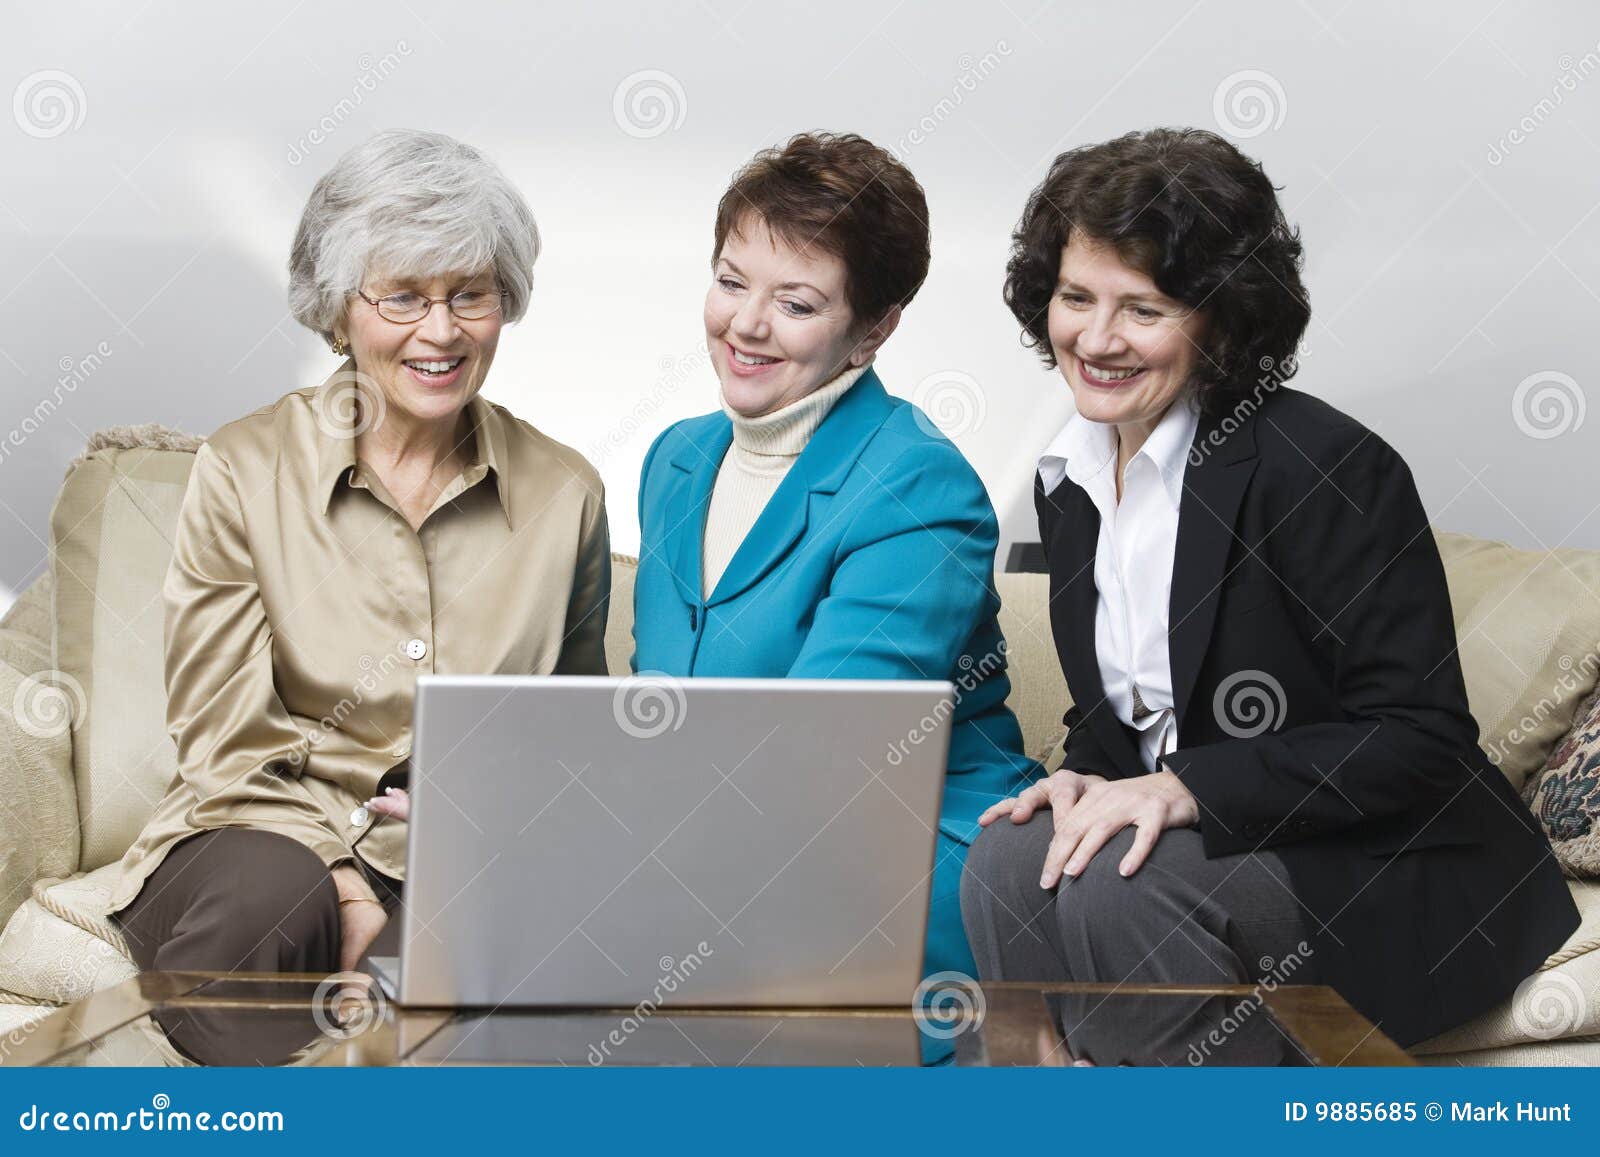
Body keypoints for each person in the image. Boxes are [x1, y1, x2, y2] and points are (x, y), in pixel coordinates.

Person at [961, 127, 1578, 1049]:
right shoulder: (1071, 479)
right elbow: (1127, 710)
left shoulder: (1323, 466)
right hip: (1224, 838)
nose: (1096, 338)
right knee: (1009, 858)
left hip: (1378, 854)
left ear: (1220, 317)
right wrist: (1085, 776)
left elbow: (1421, 741)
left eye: (1143, 308)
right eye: (1075, 297)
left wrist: (1184, 789)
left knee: (1121, 885)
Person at [103, 129, 610, 981]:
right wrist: (345, 883)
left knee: (506, 950)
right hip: (251, 835)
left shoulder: (566, 494)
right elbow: (224, 737)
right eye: (403, 297)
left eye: (470, 294)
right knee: (275, 906)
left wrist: (485, 817)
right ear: (340, 309)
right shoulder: (245, 467)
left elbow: (568, 739)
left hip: (458, 861)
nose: (441, 331)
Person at [631, 132, 1038, 1001]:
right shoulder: (675, 459)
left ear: (875, 328)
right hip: (713, 842)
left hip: (894, 850)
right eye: (732, 281)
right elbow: (651, 708)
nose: (746, 323)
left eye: (798, 302)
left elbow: (825, 761)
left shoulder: (918, 484)